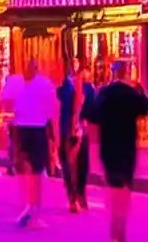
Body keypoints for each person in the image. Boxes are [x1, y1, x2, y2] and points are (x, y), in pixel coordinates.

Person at [86, 60, 148, 242]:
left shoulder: (104, 93)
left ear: (113, 72)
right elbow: (146, 106)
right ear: (126, 72)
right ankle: (119, 232)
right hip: (127, 148)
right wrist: (139, 89)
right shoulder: (131, 93)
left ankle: (116, 233)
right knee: (124, 192)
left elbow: (92, 117)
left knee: (113, 191)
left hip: (108, 148)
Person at [1, 58, 57, 229]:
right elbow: (51, 110)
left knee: (33, 171)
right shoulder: (18, 82)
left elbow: (51, 110)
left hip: (32, 128)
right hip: (27, 129)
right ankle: (30, 208)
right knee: (29, 171)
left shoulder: (40, 83)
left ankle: (31, 208)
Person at [57, 61, 96, 212]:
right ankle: (79, 195)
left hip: (66, 130)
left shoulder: (60, 88)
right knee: (81, 164)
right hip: (79, 130)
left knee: (69, 164)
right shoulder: (87, 88)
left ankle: (73, 197)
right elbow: (92, 111)